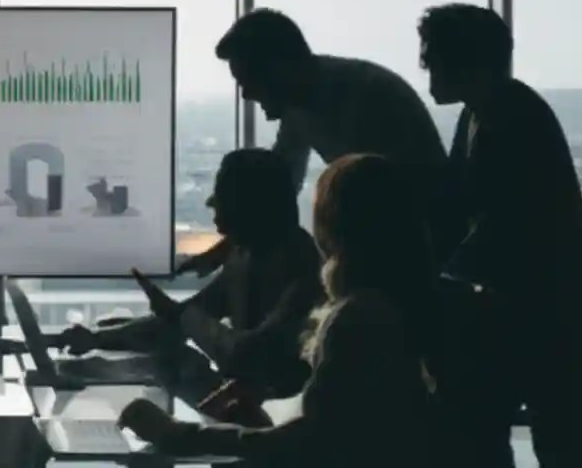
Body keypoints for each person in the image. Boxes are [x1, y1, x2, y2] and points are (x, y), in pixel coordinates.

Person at [119, 154, 449, 468]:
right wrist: (267, 407)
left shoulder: (359, 316)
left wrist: (179, 435)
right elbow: (341, 424)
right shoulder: (401, 305)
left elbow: (310, 444)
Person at [419, 4, 582, 467]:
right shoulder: (494, 111)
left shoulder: (502, 119)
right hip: (545, 306)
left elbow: (491, 219)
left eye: (431, 57)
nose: (424, 67)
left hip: (543, 309)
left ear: (463, 61)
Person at [182, 9, 454, 277]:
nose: (246, 94)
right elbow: (280, 185)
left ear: (280, 69)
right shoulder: (308, 100)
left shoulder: (363, 99)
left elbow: (280, 187)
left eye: (249, 81)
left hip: (418, 255)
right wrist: (228, 248)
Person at [59, 149, 322, 421]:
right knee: (169, 360)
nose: (210, 202)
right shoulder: (246, 254)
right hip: (251, 408)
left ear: (251, 202)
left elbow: (247, 355)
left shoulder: (304, 268)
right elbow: (180, 320)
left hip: (285, 423)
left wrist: (178, 315)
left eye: (222, 192)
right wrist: (97, 338)